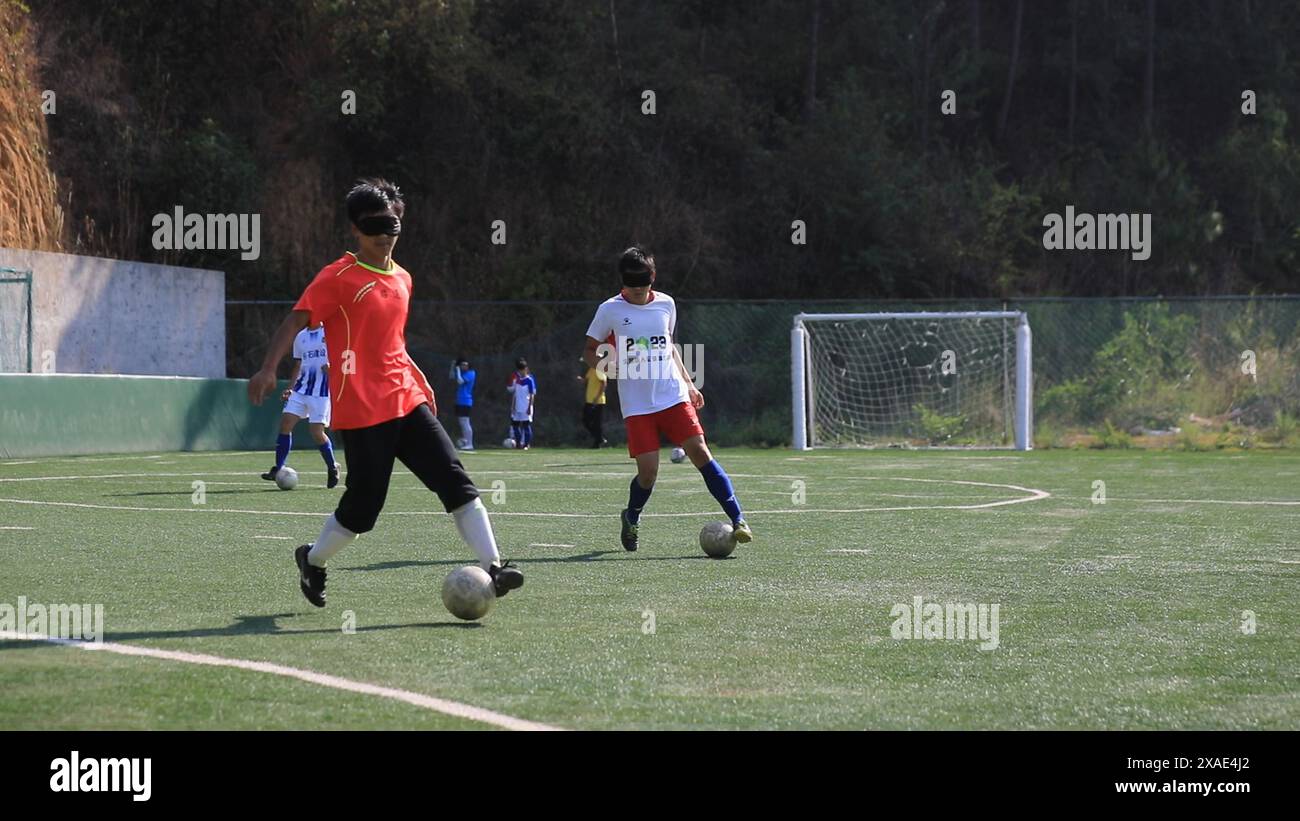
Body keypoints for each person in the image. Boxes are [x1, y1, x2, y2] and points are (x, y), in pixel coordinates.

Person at [247, 178, 523, 607]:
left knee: (455, 480)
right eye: (372, 226)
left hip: (406, 399)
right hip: (362, 411)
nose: (383, 234)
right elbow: (294, 321)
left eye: (390, 223)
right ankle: (313, 560)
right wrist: (268, 368)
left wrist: (417, 374)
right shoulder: (337, 277)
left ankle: (495, 566)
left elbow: (391, 342)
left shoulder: (403, 280)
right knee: (362, 510)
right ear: (355, 230)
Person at [582, 246, 752, 551]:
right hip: (637, 405)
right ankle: (631, 516)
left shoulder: (666, 304)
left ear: (653, 279)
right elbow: (589, 350)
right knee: (648, 474)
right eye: (631, 287)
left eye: (643, 286)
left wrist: (688, 383)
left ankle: (739, 519)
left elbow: (669, 345)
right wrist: (610, 366)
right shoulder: (609, 310)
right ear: (623, 282)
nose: (637, 293)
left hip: (672, 395)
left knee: (700, 452)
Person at [260, 322, 340, 488]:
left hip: (322, 391)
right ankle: (279, 468)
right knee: (285, 424)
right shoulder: (300, 336)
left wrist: (335, 367)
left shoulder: (331, 330)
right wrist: (290, 388)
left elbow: (345, 352)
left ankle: (332, 467)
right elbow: (298, 365)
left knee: (317, 432)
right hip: (301, 389)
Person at [576, 356, 608, 448]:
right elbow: (586, 380)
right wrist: (581, 380)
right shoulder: (591, 370)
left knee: (596, 422)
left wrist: (597, 397)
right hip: (590, 400)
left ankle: (598, 442)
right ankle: (599, 438)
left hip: (597, 401)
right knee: (586, 420)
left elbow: (603, 383)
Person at [506, 357, 536, 449]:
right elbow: (515, 394)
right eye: (520, 370)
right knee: (515, 426)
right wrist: (513, 406)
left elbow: (532, 394)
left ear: (526, 369)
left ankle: (526, 444)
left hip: (526, 406)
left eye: (523, 370)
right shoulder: (517, 380)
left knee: (526, 426)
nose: (521, 372)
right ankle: (518, 444)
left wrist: (529, 407)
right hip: (517, 406)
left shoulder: (530, 380)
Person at [450, 357, 476, 451]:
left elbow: (460, 381)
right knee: (461, 422)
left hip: (466, 400)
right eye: (462, 365)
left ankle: (470, 443)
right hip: (459, 400)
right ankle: (466, 441)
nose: (463, 366)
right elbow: (452, 376)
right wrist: (453, 366)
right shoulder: (461, 373)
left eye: (465, 365)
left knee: (465, 422)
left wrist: (457, 370)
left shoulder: (471, 373)